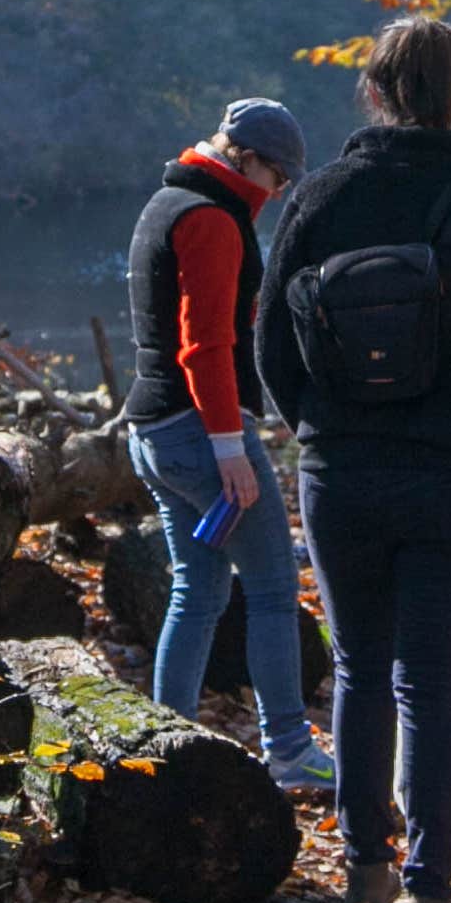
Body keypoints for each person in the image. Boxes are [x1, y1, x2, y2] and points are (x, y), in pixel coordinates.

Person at [254, 16, 451, 903]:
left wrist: (319, 431)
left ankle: (362, 877)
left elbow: (268, 346)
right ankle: (435, 897)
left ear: (372, 90)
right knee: (434, 681)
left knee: (359, 671)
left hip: (344, 470)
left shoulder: (318, 197)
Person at [125, 98, 333, 796]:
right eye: (277, 178)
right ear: (248, 160)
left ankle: (165, 744)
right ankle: (290, 750)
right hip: (197, 434)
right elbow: (204, 346)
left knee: (199, 590)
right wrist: (231, 446)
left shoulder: (167, 201)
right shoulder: (212, 220)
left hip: (151, 430)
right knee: (274, 589)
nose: (277, 196)